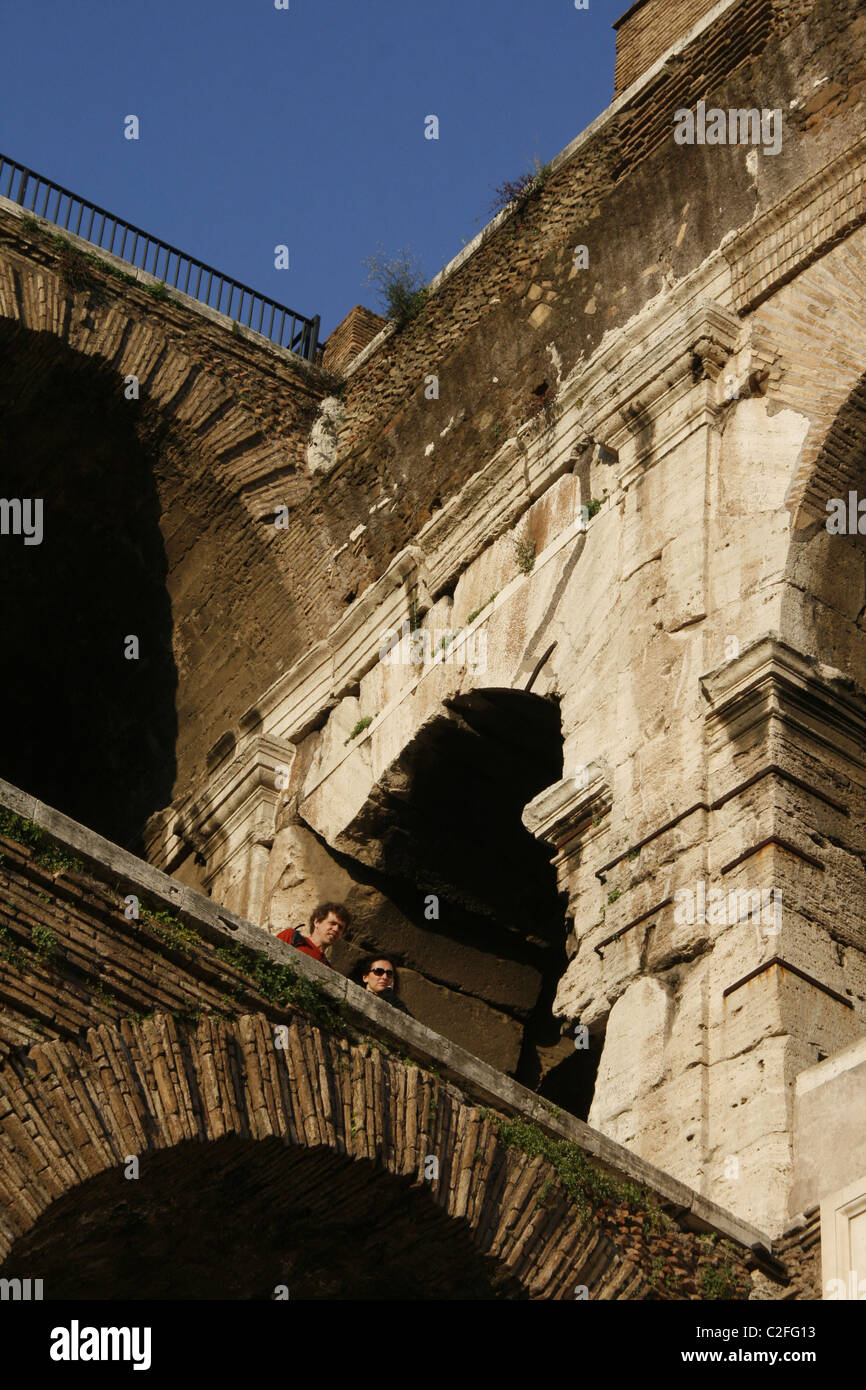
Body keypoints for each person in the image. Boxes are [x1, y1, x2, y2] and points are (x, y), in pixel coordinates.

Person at [277, 902, 350, 966]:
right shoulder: (290, 937)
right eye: (332, 923)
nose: (336, 929)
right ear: (317, 922)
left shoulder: (328, 968)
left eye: (340, 927)